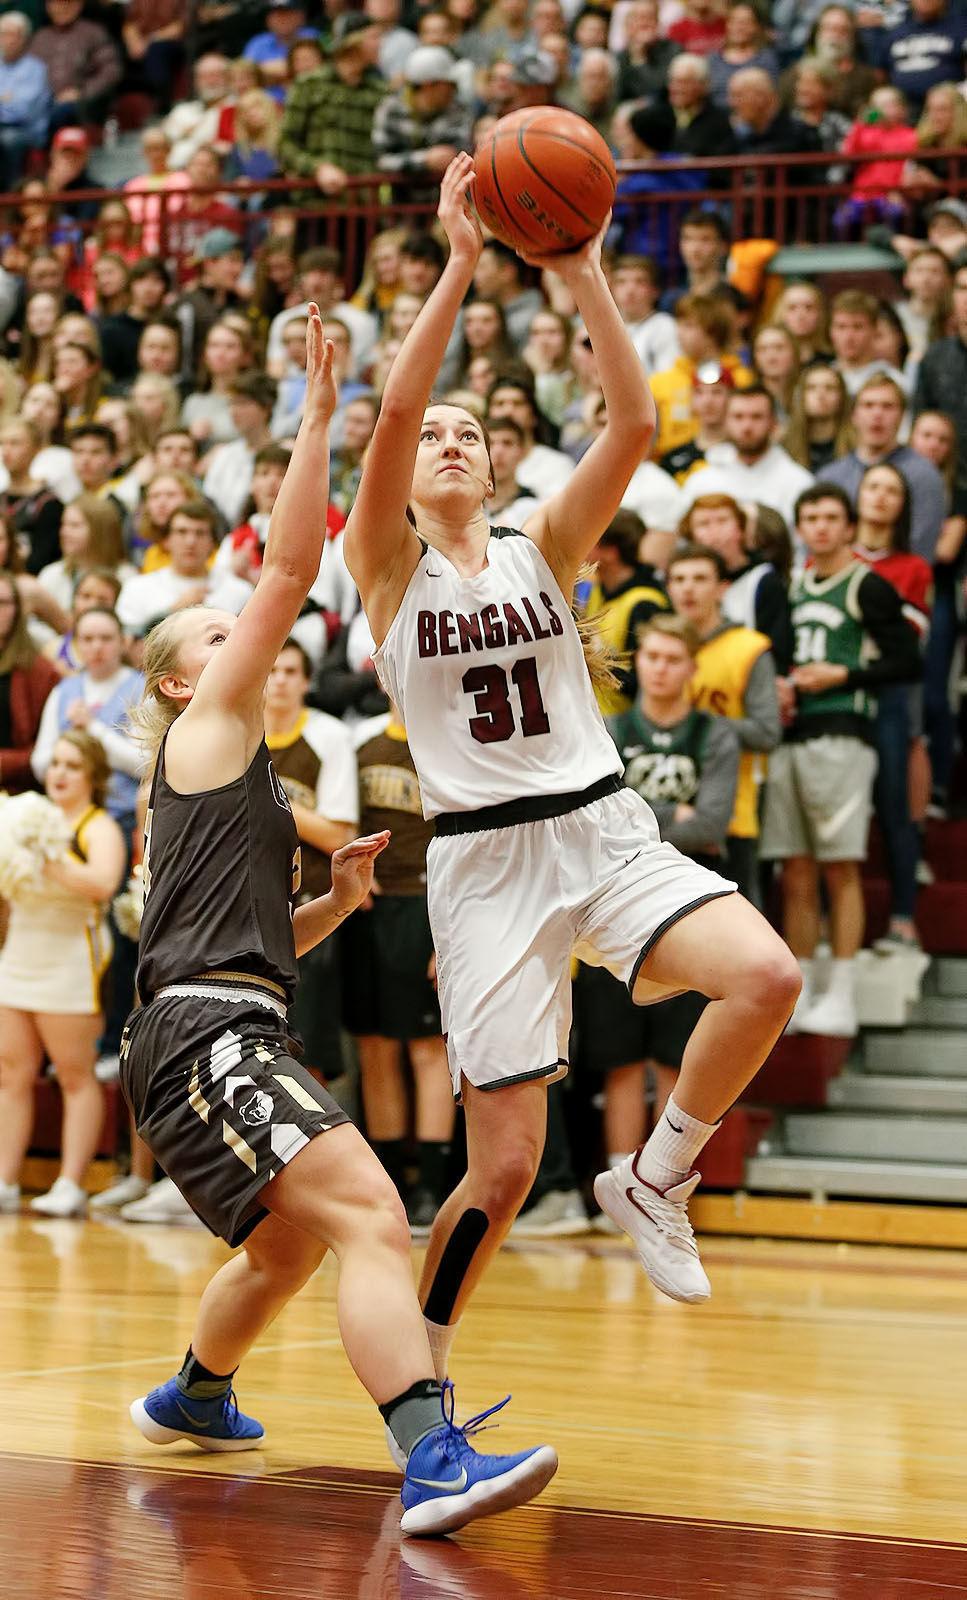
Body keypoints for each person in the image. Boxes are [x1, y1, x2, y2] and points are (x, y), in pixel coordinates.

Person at [343, 153, 800, 1373]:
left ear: (498, 469)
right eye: (434, 432)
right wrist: (458, 265)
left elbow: (637, 421)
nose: (444, 440)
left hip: (599, 828)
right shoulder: (386, 570)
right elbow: (391, 413)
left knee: (763, 976)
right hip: (484, 863)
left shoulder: (546, 539)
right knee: (501, 1165)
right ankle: (423, 1370)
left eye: (469, 433)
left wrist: (583, 268)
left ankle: (656, 1177)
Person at [120, 304, 557, 1536]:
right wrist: (318, 417)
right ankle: (432, 1460)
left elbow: (248, 943)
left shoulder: (244, 778)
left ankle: (197, 1396)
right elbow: (288, 571)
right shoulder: (206, 734)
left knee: (289, 1246)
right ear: (176, 681)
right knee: (370, 1210)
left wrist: (334, 903)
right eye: (214, 636)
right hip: (208, 1035)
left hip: (215, 1014)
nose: (243, 637)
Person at [760, 485, 921, 1036]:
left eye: (832, 517)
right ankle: (803, 991)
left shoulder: (867, 586)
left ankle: (844, 992)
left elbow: (907, 659)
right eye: (811, 518)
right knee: (797, 868)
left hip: (844, 736)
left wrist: (844, 676)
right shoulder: (792, 585)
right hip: (793, 735)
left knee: (840, 866)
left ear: (849, 527)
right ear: (800, 526)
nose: (821, 527)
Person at [582, 614, 740, 1175]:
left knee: (677, 1057)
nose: (660, 669)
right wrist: (681, 813)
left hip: (691, 907)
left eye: (673, 659)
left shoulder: (716, 733)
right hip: (617, 903)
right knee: (622, 1060)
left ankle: (664, 1183)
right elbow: (598, 819)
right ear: (637, 663)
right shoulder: (611, 730)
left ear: (693, 669)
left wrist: (644, 813)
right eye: (651, 657)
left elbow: (713, 824)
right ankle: (620, 1175)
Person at [0, 730, 126, 1216]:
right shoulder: (21, 816)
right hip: (20, 955)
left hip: (73, 957)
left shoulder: (97, 826)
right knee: (12, 1074)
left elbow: (101, 884)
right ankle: (7, 1179)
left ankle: (72, 1183)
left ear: (92, 776)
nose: (60, 774)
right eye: (56, 764)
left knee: (75, 1075)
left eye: (73, 766)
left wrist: (48, 861)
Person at [345, 705, 457, 1234]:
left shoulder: (451, 742)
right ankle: (388, 1178)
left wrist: (449, 931)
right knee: (374, 1046)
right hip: (369, 906)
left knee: (427, 1049)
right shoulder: (359, 748)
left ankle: (432, 1183)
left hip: (426, 902)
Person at [666, 541, 780, 901]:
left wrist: (699, 724)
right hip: (667, 810)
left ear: (722, 588)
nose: (688, 588)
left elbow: (766, 732)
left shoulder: (749, 648)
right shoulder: (661, 648)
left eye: (700, 578)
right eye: (679, 578)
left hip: (731, 813)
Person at [853, 462, 932, 948]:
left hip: (888, 699)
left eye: (891, 491)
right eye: (873, 487)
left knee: (893, 804)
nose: (881, 497)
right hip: (838, 699)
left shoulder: (913, 568)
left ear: (903, 505)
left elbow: (911, 640)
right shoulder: (822, 560)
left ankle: (904, 917)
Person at [820, 373, 946, 562]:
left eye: (887, 406)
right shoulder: (831, 477)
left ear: (902, 416)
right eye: (868, 405)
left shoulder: (924, 475)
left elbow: (920, 549)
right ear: (854, 415)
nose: (877, 414)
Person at [678, 493, 793, 671]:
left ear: (741, 529)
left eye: (722, 521)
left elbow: (778, 650)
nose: (714, 532)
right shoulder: (680, 578)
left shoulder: (763, 579)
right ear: (691, 534)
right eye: (703, 524)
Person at [682, 385, 815, 531]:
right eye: (738, 417)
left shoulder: (799, 483)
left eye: (756, 417)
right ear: (725, 421)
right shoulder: (701, 482)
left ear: (773, 423)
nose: (747, 426)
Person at [583, 509, 669, 714]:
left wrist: (594, 660)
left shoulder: (645, 604)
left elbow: (643, 681)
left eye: (589, 539)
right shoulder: (598, 590)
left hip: (625, 727)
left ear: (611, 552)